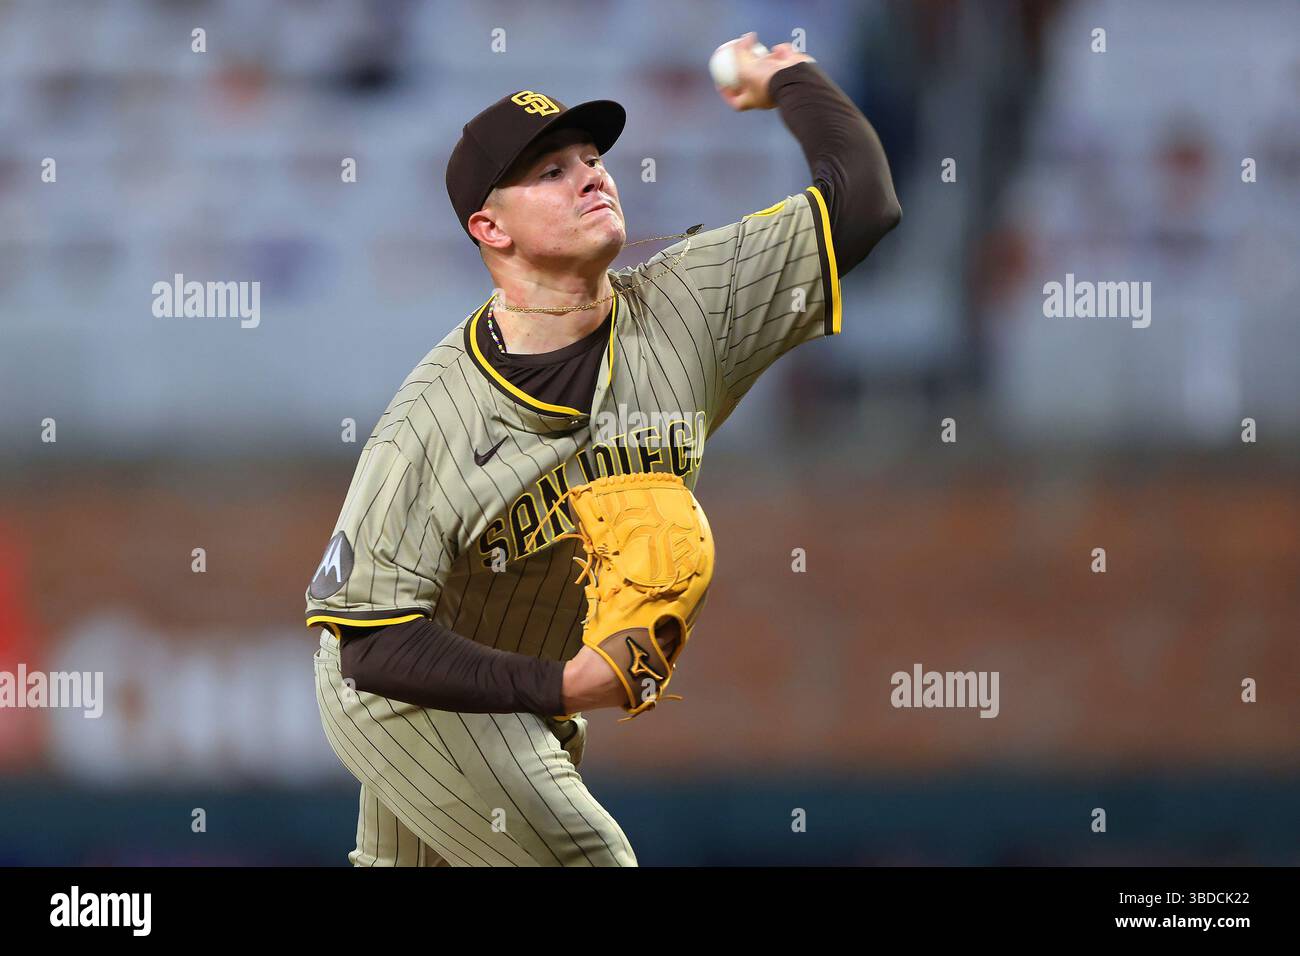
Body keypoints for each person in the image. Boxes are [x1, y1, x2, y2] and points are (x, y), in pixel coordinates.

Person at [306, 34, 900, 866]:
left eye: (591, 157)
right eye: (550, 171)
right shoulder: (433, 421)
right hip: (402, 693)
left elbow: (863, 206)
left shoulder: (689, 304)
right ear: (490, 227)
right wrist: (564, 686)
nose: (591, 174)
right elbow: (369, 644)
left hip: (519, 696)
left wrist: (790, 78)